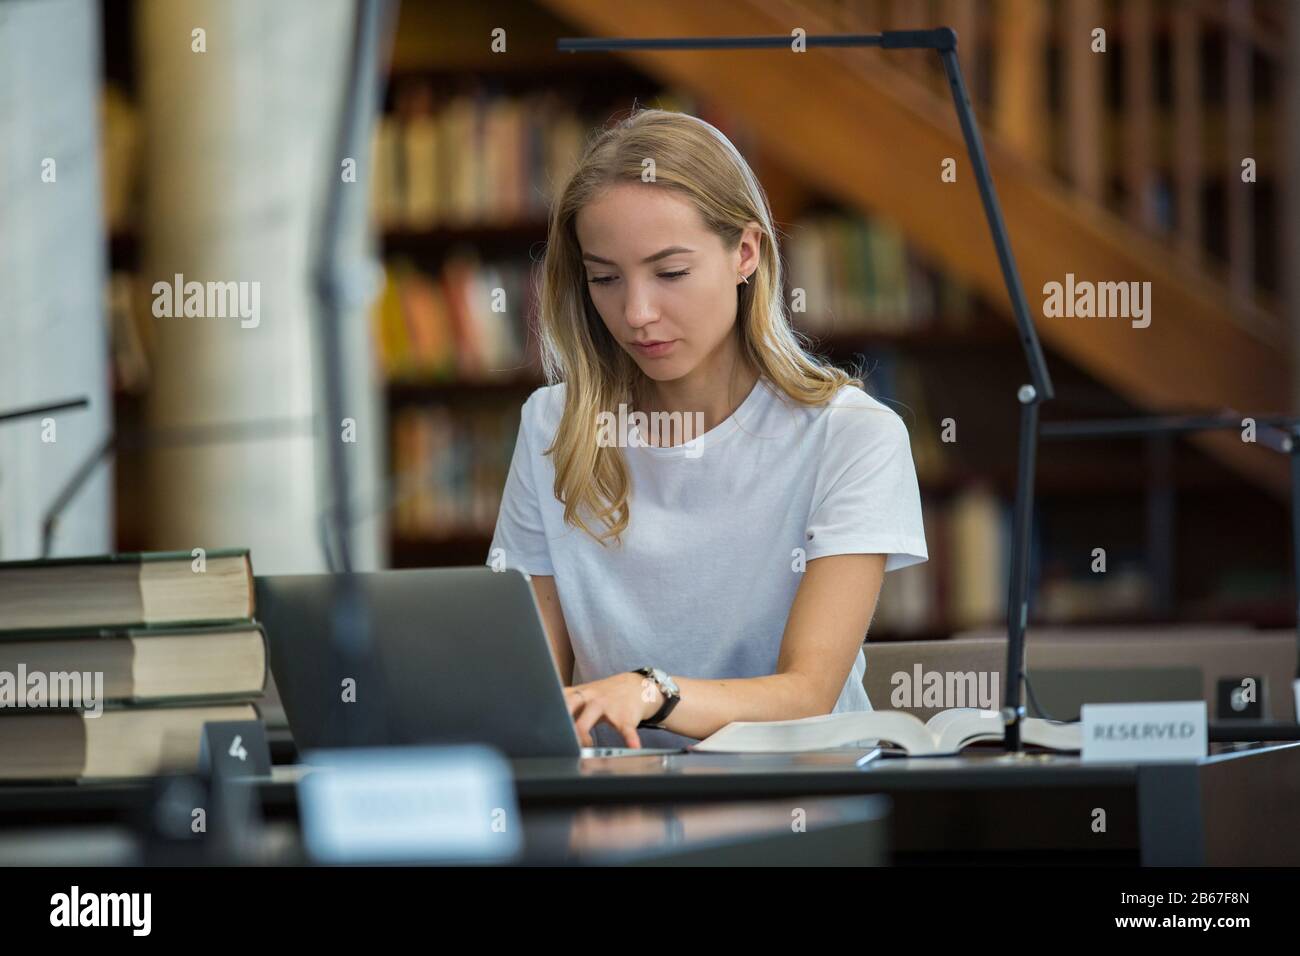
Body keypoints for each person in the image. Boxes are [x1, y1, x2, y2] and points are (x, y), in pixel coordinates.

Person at [487, 108, 927, 750]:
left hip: (802, 809)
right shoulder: (551, 425)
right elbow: (529, 687)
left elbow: (807, 693)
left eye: (670, 273)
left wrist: (649, 691)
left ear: (745, 252)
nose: (636, 313)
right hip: (618, 811)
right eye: (605, 278)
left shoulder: (853, 436)